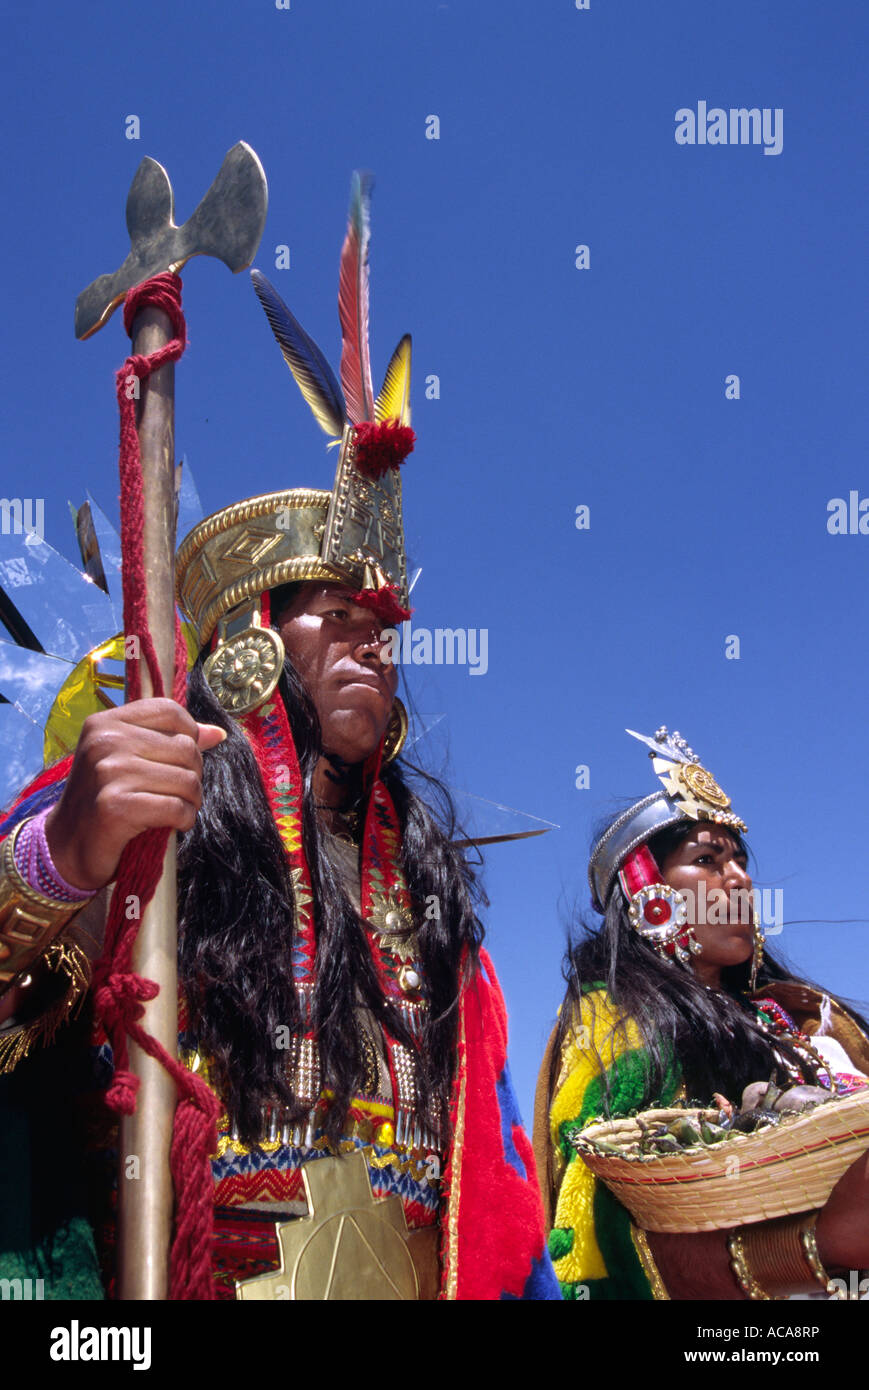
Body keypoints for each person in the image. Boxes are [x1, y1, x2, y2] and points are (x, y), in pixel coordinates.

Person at [0, 179, 557, 1301]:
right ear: (254, 639)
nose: (371, 648)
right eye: (336, 621)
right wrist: (66, 847)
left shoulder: (433, 889)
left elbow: (496, 1170)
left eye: (384, 628)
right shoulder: (146, 802)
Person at [533, 725, 869, 1301]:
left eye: (739, 859)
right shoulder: (612, 1031)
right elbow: (598, 1227)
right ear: (647, 891)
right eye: (707, 859)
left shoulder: (810, 1022)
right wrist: (814, 1245)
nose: (738, 878)